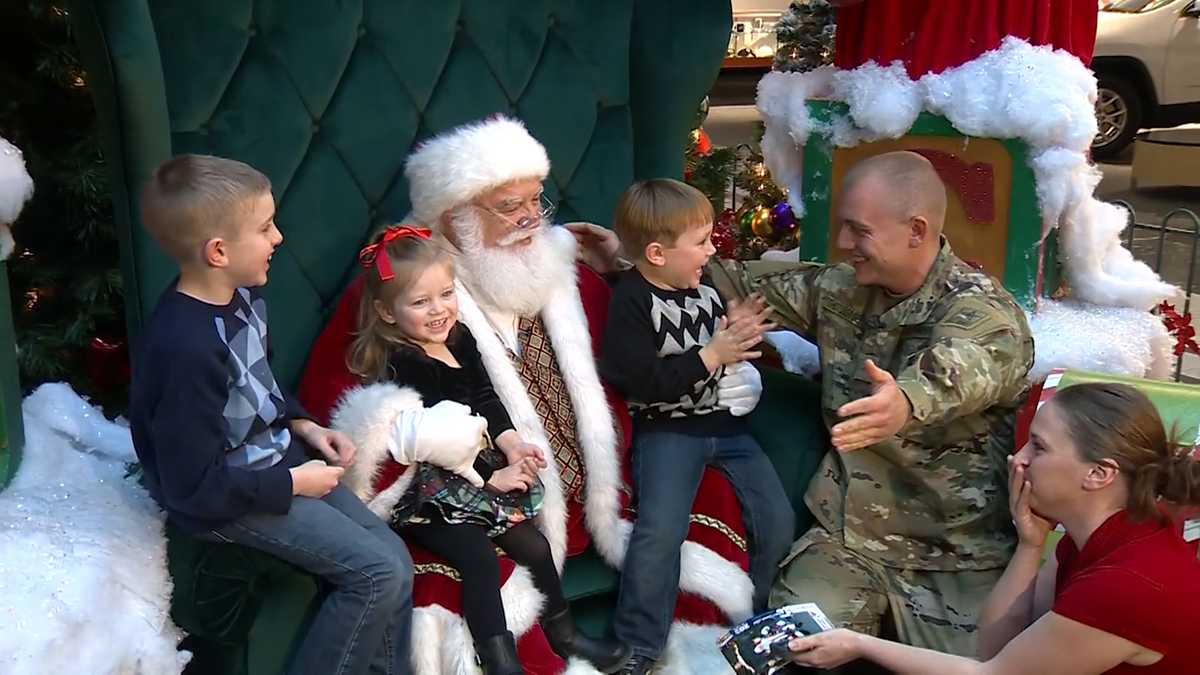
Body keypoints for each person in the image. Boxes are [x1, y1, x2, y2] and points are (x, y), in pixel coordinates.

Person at [315, 115, 766, 671]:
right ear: (455, 217)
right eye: (510, 206)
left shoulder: (564, 267)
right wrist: (408, 430)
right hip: (479, 495)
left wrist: (723, 369)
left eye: (536, 199)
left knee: (709, 493)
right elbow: (338, 406)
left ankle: (689, 653)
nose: (532, 217)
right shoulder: (400, 290)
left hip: (609, 491)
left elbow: (648, 341)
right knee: (465, 579)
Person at [572, 150, 1035, 656]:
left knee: (984, 665)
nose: (844, 243)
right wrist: (631, 255)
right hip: (848, 542)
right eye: (842, 227)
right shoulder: (841, 288)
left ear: (916, 231)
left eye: (859, 230)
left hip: (952, 558)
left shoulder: (981, 310)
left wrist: (905, 400)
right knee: (782, 653)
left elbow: (968, 363)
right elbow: (722, 279)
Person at [127, 155, 414, 675]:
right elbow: (191, 486)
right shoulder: (184, 348)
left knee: (395, 558)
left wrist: (302, 423)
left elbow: (255, 382)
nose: (278, 238)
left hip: (273, 461)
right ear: (218, 251)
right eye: (264, 228)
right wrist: (294, 483)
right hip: (228, 498)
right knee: (375, 575)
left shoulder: (241, 295)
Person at [346, 225, 631, 673]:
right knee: (477, 555)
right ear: (386, 312)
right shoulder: (404, 362)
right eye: (420, 303)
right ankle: (500, 661)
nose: (438, 310)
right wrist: (491, 477)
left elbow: (484, 396)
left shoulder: (459, 337)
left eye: (446, 294)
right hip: (430, 490)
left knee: (535, 547)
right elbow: (439, 442)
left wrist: (511, 441)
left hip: (473, 471)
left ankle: (566, 636)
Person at [787, 382, 1200, 674]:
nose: (1017, 459)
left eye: (1039, 447)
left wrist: (858, 643)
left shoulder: (1129, 583)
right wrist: (1030, 545)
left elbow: (993, 674)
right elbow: (996, 648)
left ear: (1098, 474)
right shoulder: (1102, 537)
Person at [598, 179, 795, 675]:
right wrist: (710, 355)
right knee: (659, 532)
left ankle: (759, 622)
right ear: (658, 254)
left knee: (775, 519)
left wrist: (738, 337)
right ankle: (637, 645)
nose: (712, 250)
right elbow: (640, 379)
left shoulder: (706, 292)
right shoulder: (632, 301)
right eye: (702, 242)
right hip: (667, 431)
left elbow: (727, 354)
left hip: (725, 427)